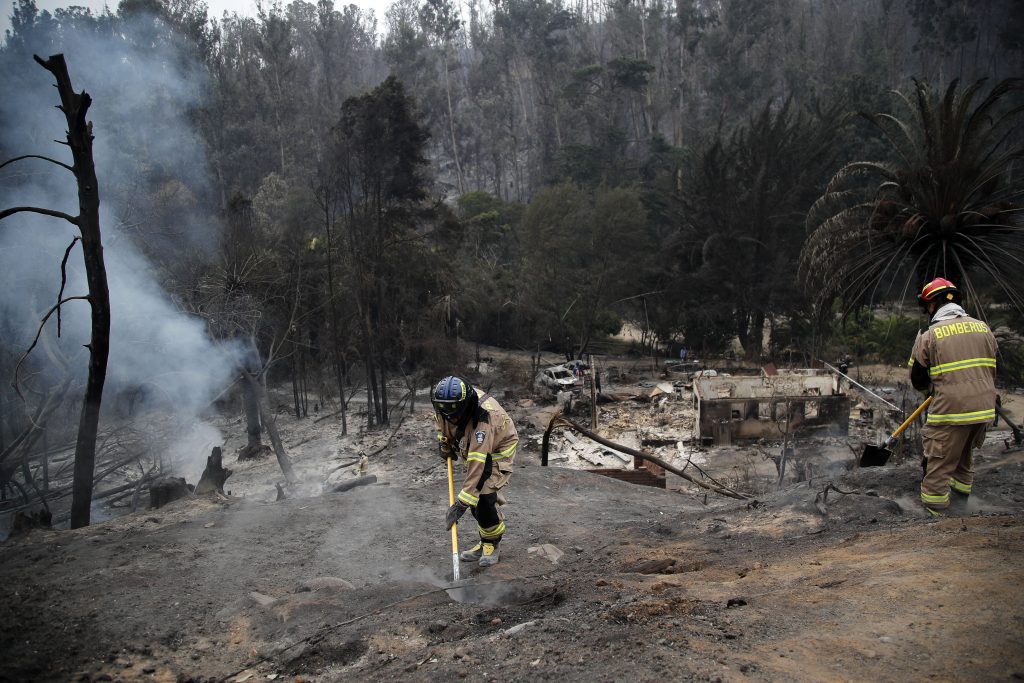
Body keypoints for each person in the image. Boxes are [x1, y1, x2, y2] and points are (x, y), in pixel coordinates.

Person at [909, 278, 997, 515]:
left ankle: (937, 515)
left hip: (951, 410)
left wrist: (931, 391)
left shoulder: (930, 334)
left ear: (932, 305)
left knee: (938, 463)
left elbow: (917, 378)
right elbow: (991, 368)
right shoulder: (983, 328)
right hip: (984, 408)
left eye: (927, 307)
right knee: (963, 458)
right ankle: (960, 509)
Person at [432, 375, 519, 567]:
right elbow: (443, 423)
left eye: (456, 415)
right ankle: (485, 541)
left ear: (465, 406)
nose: (452, 418)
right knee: (475, 499)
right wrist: (444, 442)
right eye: (447, 413)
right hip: (476, 447)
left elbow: (479, 464)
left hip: (497, 449)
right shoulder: (446, 405)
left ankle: (492, 544)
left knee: (483, 497)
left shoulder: (483, 420)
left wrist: (460, 504)